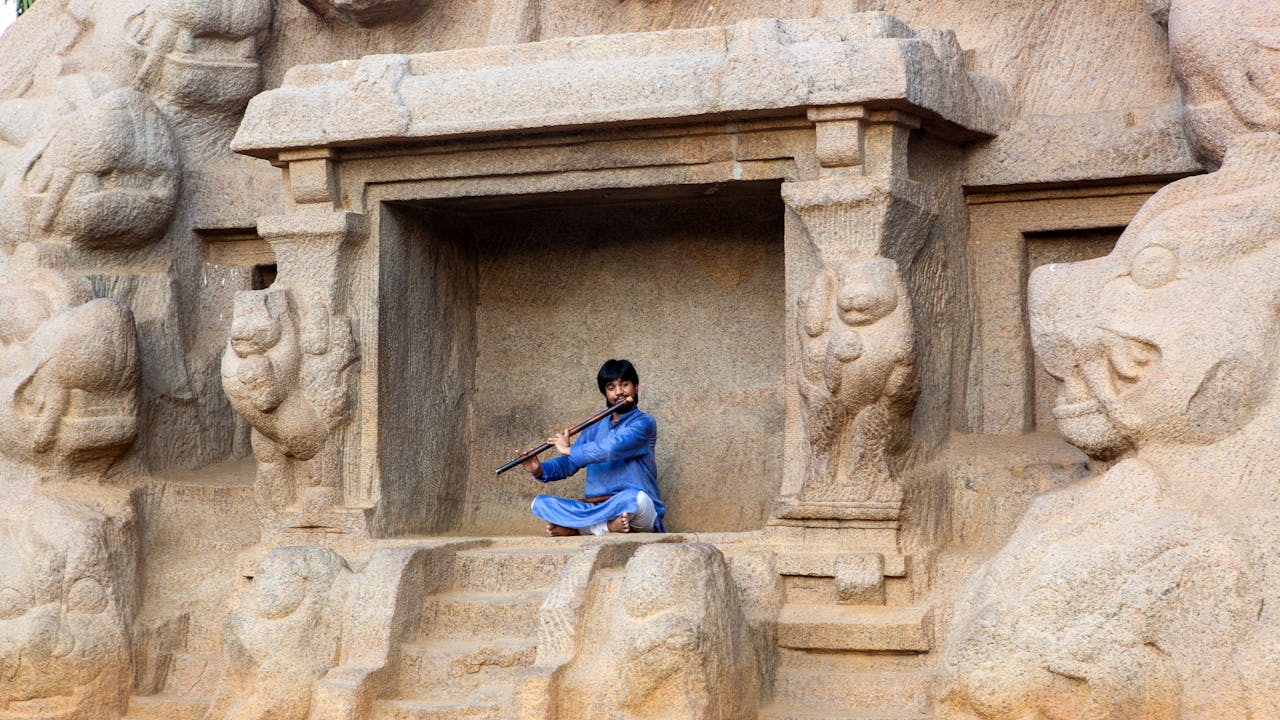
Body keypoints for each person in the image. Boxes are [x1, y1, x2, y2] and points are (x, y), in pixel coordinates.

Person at [522, 359, 665, 536]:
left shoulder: (644, 423)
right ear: (605, 393)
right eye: (611, 388)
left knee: (638, 500)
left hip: (629, 504)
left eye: (624, 385)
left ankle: (583, 528)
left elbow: (610, 449)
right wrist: (538, 469)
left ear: (636, 387)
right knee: (540, 503)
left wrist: (568, 449)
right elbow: (569, 463)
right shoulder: (594, 428)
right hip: (597, 506)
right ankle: (607, 526)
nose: (619, 392)